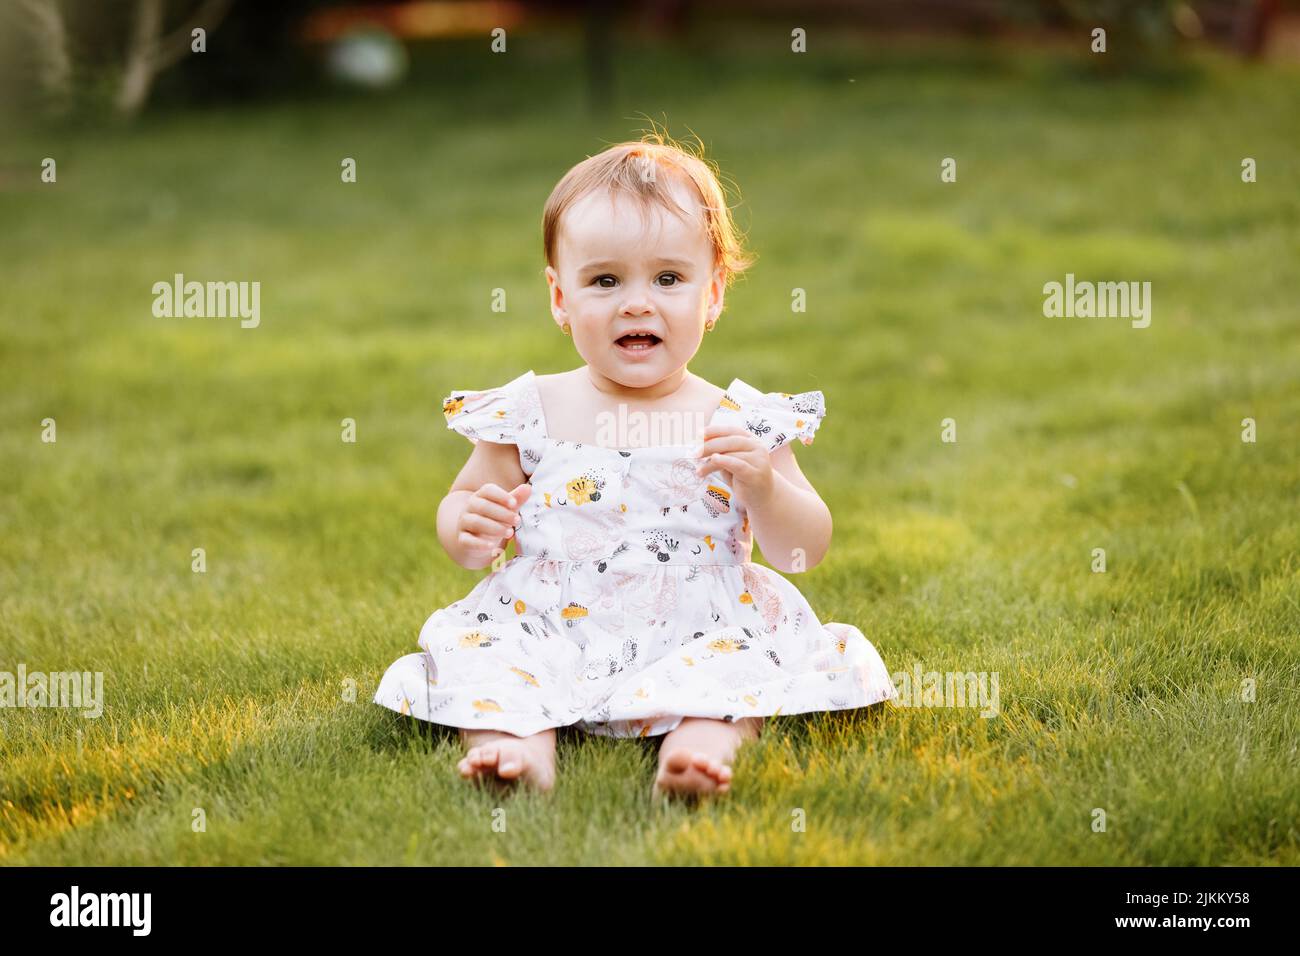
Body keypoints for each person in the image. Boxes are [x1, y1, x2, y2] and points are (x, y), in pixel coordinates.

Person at [374, 132, 897, 800]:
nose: (637, 302)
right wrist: (467, 524)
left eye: (669, 279)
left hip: (700, 621)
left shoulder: (744, 419)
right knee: (492, 660)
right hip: (549, 618)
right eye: (604, 280)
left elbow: (803, 549)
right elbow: (464, 512)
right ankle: (514, 756)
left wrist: (763, 487)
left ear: (713, 295)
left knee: (730, 676)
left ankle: (695, 757)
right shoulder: (530, 410)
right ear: (560, 298)